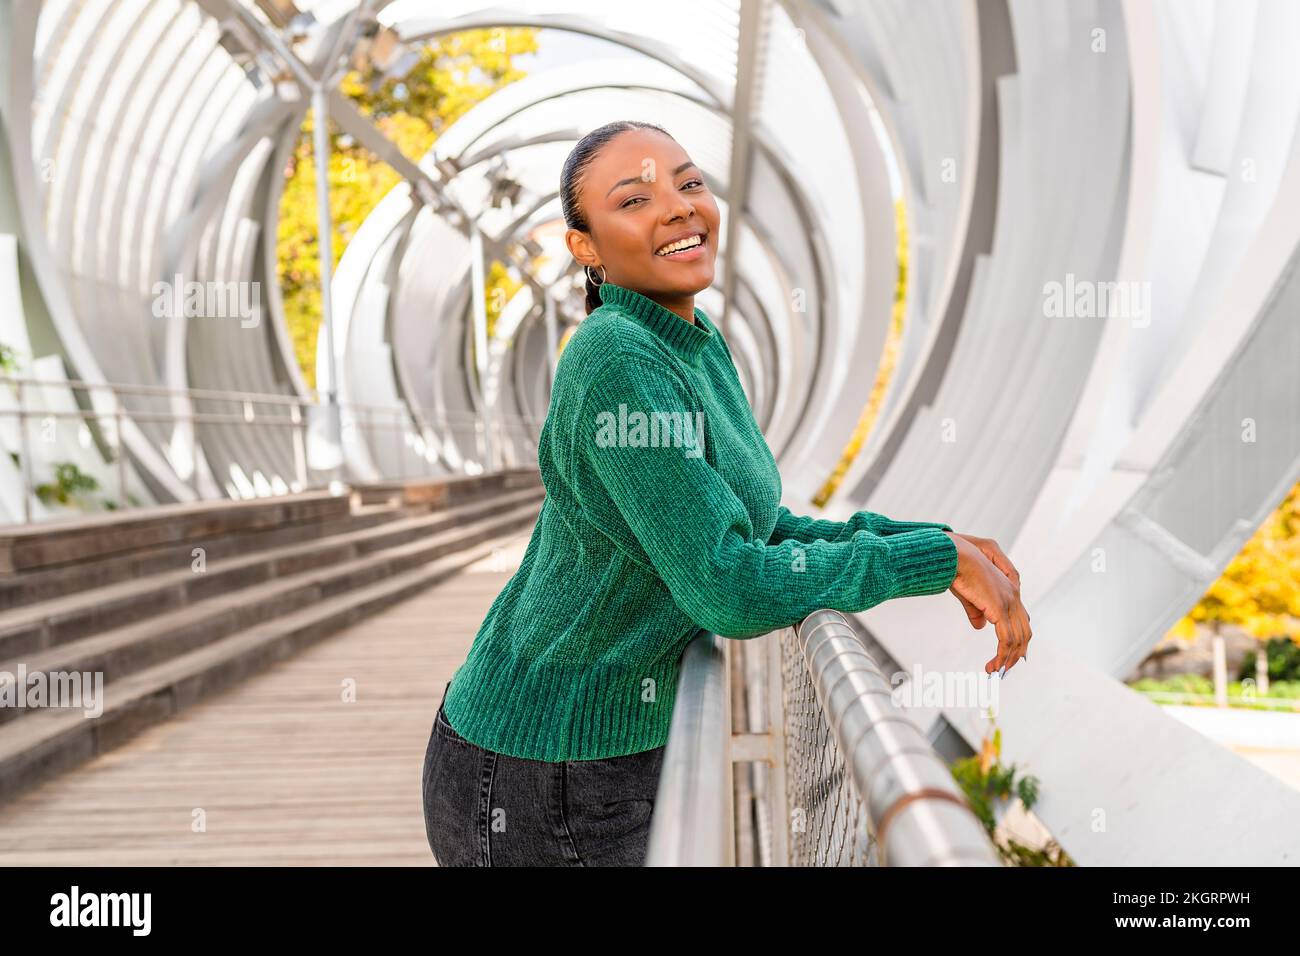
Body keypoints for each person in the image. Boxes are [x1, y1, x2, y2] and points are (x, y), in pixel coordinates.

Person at [421, 120, 1031, 866]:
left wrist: (939, 546)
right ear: (586, 248)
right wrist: (932, 562)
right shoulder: (616, 358)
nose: (679, 207)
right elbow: (727, 585)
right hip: (537, 770)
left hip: (595, 760)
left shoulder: (697, 343)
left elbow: (762, 531)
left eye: (689, 183)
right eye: (635, 199)